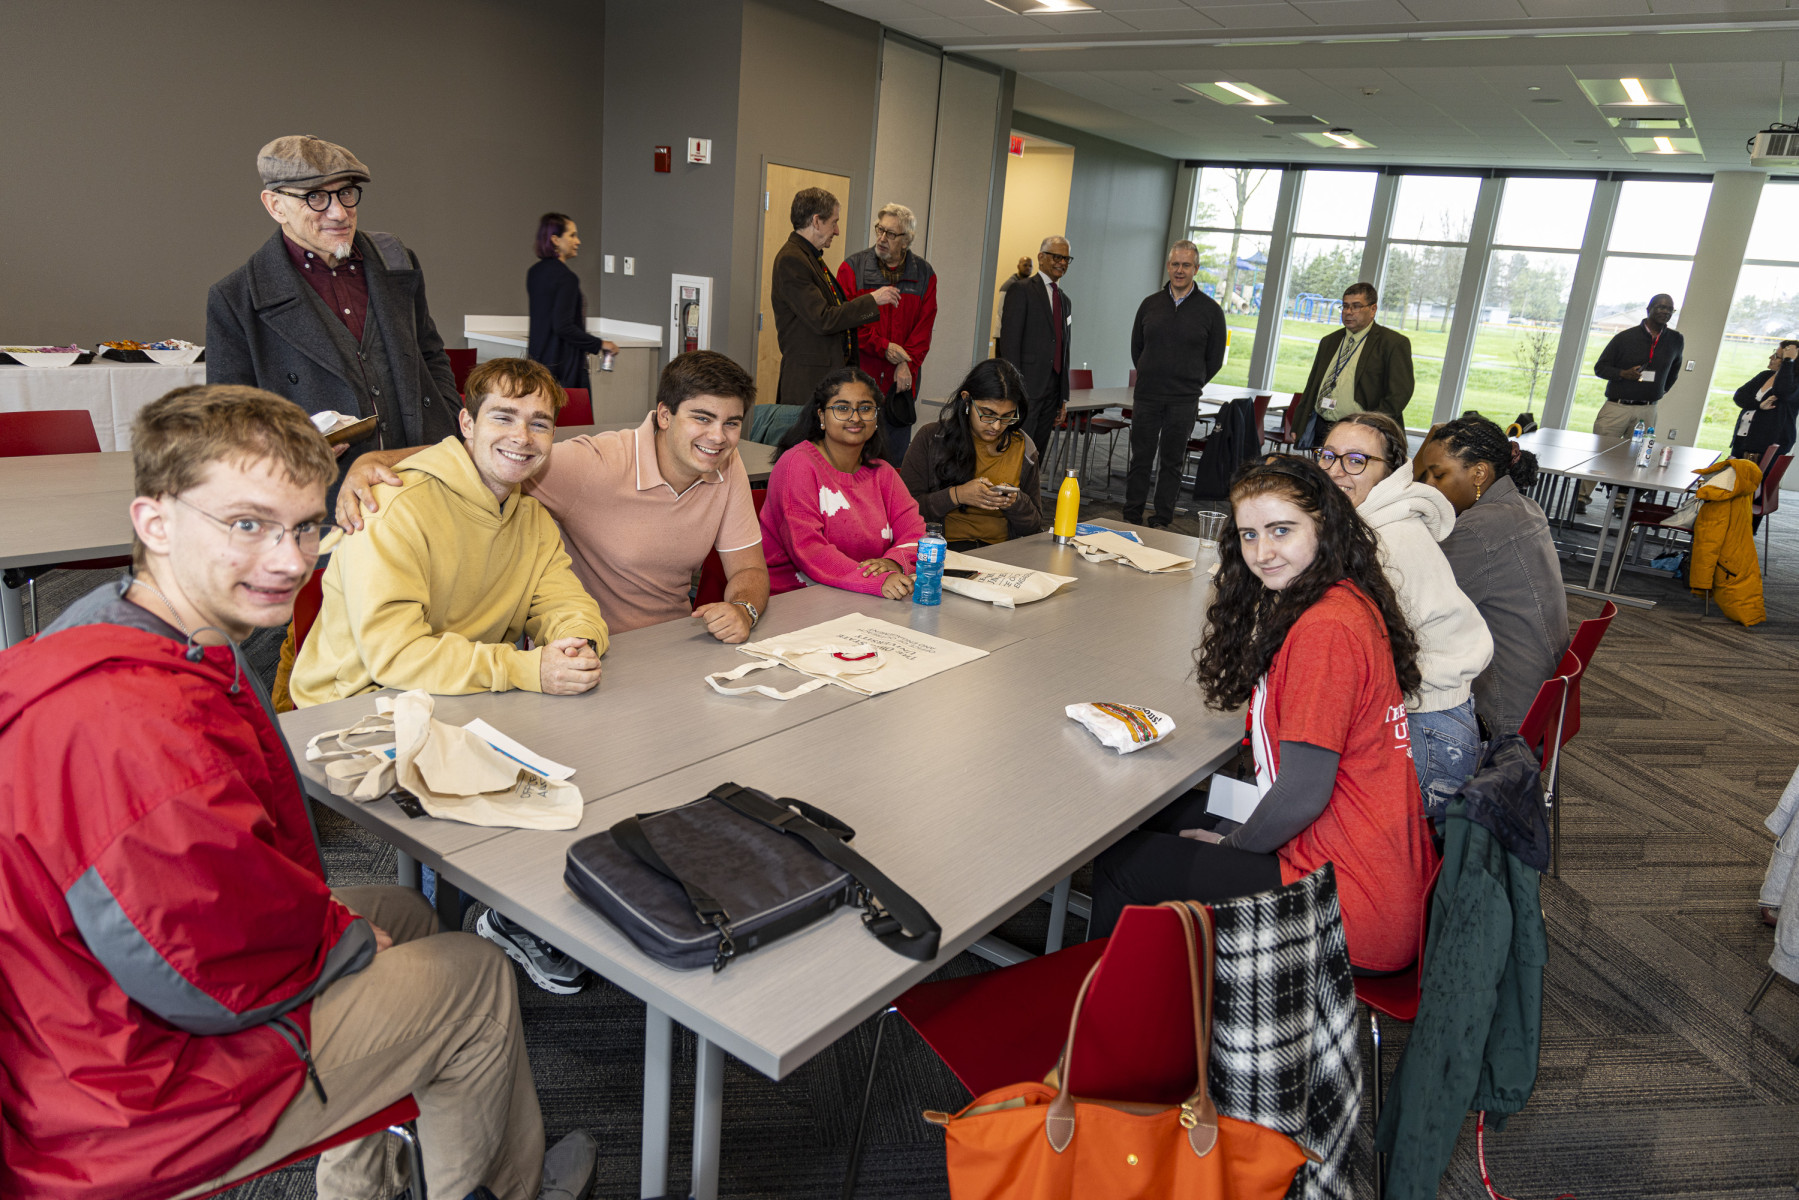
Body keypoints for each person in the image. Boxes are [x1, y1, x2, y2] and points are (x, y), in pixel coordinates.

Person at [0, 385, 594, 1200]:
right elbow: (196, 967)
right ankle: (499, 1191)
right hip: (128, 1093)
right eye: (247, 524)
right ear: (155, 521)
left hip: (86, 1008)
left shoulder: (119, 633)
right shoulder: (133, 721)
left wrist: (341, 934)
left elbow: (199, 894)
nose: (289, 560)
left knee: (408, 913)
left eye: (305, 526)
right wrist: (336, 948)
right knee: (476, 978)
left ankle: (366, 1188)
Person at [1090, 456, 1438, 976]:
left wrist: (1233, 848)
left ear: (1325, 524)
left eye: (1281, 530)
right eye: (1249, 535)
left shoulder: (1326, 630)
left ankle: (1114, 1030)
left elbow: (1301, 793)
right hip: (1362, 855)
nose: (1263, 552)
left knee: (1124, 866)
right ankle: (1164, 980)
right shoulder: (1340, 598)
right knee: (1156, 814)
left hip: (1350, 906)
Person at [340, 350, 770, 647]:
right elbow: (495, 454)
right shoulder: (590, 465)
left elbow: (749, 568)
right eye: (702, 418)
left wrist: (744, 610)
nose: (718, 437)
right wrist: (380, 459)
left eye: (731, 424)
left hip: (677, 644)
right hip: (602, 649)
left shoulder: (723, 465)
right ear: (663, 415)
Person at [290, 356, 607, 706]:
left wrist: (578, 644)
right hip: (357, 704)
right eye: (503, 417)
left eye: (539, 424)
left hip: (460, 693)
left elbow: (566, 603)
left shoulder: (533, 519)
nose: (522, 437)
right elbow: (395, 655)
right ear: (467, 424)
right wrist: (524, 668)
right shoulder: (392, 511)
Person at [206, 135, 461, 512]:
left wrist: (447, 416)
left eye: (346, 193)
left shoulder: (397, 260)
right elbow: (229, 423)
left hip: (421, 470)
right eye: (316, 198)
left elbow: (430, 353)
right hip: (329, 494)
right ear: (275, 205)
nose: (339, 213)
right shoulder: (236, 298)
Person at [1318, 412, 1492, 826]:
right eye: (1328, 455)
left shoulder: (1380, 542)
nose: (1335, 471)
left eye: (1356, 460)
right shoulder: (1376, 520)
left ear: (1390, 472)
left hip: (1424, 732)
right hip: (1439, 713)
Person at [1415, 413, 1570, 736]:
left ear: (1479, 473)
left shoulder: (1477, 530)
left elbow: (1413, 605)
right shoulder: (1523, 507)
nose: (1428, 486)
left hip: (1501, 713)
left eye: (1438, 475)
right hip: (1538, 700)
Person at [763, 367, 926, 599]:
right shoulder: (797, 465)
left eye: (866, 408)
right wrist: (875, 580)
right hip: (795, 600)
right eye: (842, 408)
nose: (856, 417)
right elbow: (809, 550)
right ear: (821, 415)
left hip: (863, 597)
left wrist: (894, 563)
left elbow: (916, 533)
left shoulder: (883, 473)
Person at [1126, 239, 1229, 528]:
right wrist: (1151, 372)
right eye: (1175, 264)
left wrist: (1190, 380)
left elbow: (1215, 359)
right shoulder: (1150, 305)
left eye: (1186, 265)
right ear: (1168, 266)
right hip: (1147, 396)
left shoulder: (1211, 311)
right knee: (1140, 460)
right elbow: (1137, 348)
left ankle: (1162, 518)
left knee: (1171, 463)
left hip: (1183, 400)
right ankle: (1131, 514)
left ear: (1196, 269)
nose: (1179, 270)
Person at [770, 187, 899, 406]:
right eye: (834, 222)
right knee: (808, 442)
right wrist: (871, 300)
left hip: (823, 381)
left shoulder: (809, 256)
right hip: (807, 385)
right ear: (817, 221)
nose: (837, 230)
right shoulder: (792, 259)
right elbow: (823, 319)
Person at [899, 357, 1041, 548]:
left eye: (1007, 417)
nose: (996, 426)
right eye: (987, 413)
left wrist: (1016, 503)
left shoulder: (1024, 448)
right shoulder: (931, 438)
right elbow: (903, 513)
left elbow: (1034, 525)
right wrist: (957, 496)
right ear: (966, 399)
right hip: (943, 551)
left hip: (1001, 553)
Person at [838, 203, 938, 466]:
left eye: (891, 234)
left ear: (906, 241)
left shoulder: (925, 274)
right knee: (854, 458)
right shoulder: (852, 268)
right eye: (880, 230)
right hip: (861, 377)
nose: (882, 238)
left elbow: (924, 329)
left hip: (901, 385)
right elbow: (848, 324)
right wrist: (884, 347)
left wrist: (907, 362)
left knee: (892, 461)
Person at [1578, 293, 1684, 511]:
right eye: (1660, 307)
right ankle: (1581, 497)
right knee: (1600, 451)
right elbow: (1600, 368)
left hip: (1648, 409)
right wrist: (1621, 374)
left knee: (1637, 457)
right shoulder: (1624, 338)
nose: (1665, 312)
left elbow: (1674, 370)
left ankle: (1621, 502)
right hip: (1617, 406)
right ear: (1648, 309)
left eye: (1669, 309)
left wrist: (1662, 390)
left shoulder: (1675, 339)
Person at [1289, 283, 1414, 448]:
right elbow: (1312, 385)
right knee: (1320, 472)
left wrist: (1371, 425)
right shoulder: (1329, 341)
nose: (1348, 312)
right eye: (1345, 306)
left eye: (1356, 306)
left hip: (1364, 432)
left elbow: (1399, 394)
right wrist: (1299, 422)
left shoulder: (1392, 343)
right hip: (1323, 426)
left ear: (1373, 309)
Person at [998, 235, 1074, 459]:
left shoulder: (1065, 300)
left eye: (1067, 259)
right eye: (1057, 257)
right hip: (1027, 387)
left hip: (1052, 390)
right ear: (1041, 257)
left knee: (1036, 452)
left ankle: (1028, 494)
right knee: (1017, 449)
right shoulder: (1021, 290)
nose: (1062, 263)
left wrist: (1063, 397)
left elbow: (1064, 347)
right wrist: (1014, 389)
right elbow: (1010, 342)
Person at [526, 212, 618, 391]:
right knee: (577, 418)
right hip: (565, 369)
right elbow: (563, 326)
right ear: (555, 239)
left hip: (538, 367)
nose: (578, 241)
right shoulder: (567, 278)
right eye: (572, 235)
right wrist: (600, 344)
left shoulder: (534, 272)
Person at [1731, 339, 1799, 480]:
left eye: (1777, 356)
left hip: (1768, 443)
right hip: (1743, 439)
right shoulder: (1764, 375)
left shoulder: (1794, 383)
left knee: (1746, 486)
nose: (1771, 358)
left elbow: (1782, 392)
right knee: (1730, 480)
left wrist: (1788, 362)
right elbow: (1739, 396)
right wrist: (1759, 405)